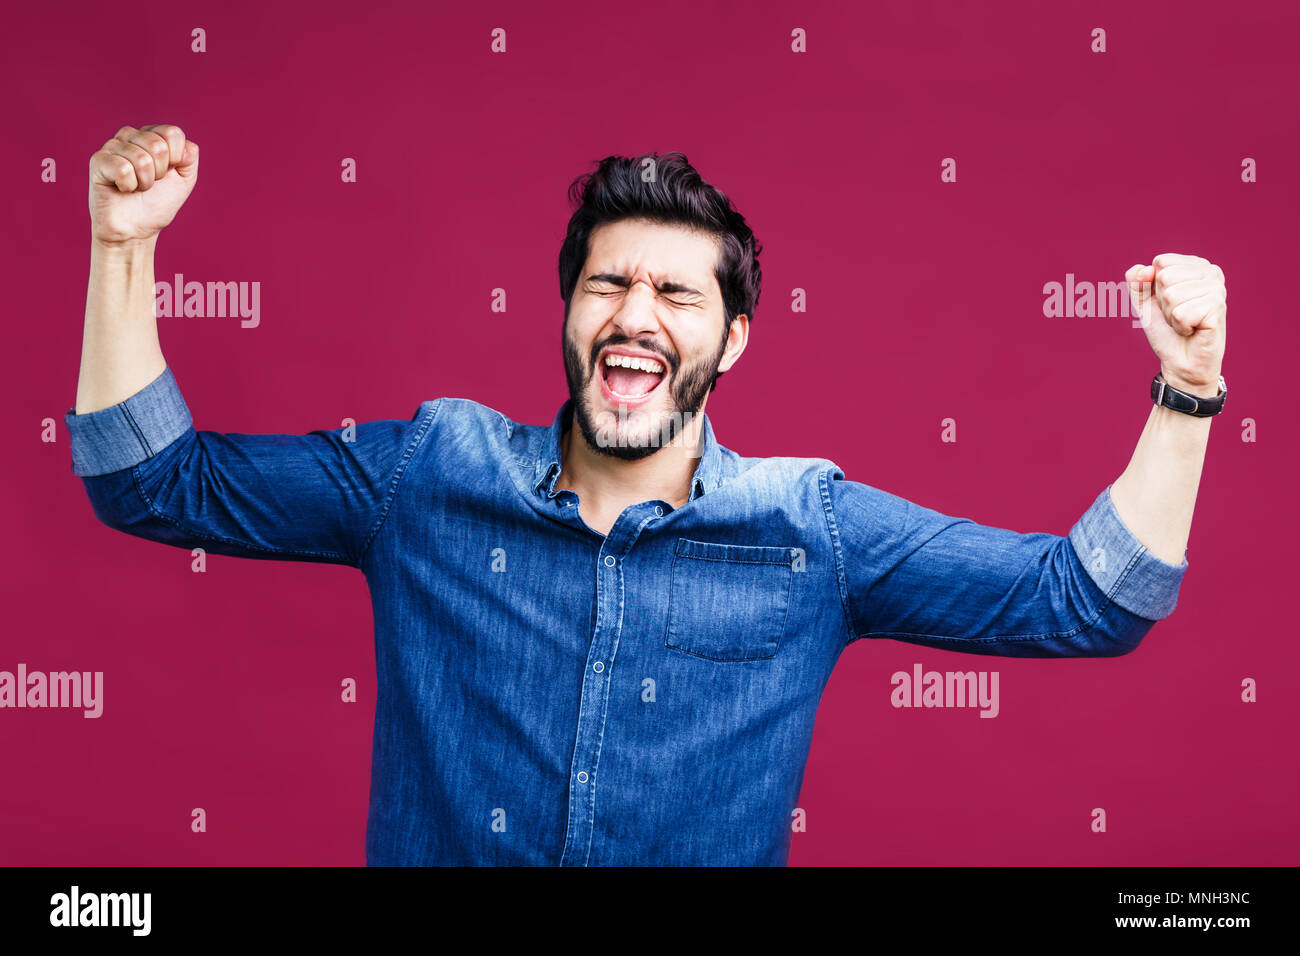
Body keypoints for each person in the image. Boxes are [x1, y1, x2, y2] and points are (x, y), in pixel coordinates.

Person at [67, 123, 1228, 866]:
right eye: (608, 283)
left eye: (678, 294)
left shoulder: (808, 530)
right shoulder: (428, 473)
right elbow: (149, 480)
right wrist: (122, 246)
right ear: (567, 313)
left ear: (733, 344)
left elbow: (1088, 601)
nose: (635, 314)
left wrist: (1184, 389)